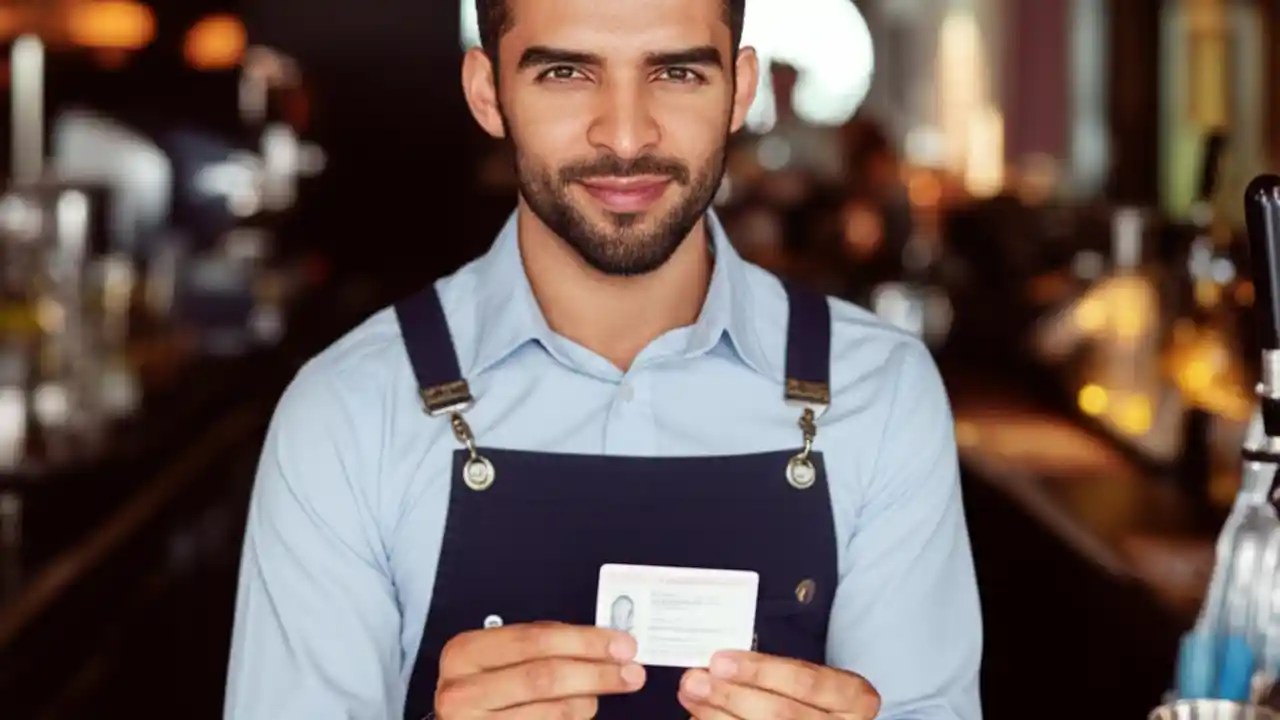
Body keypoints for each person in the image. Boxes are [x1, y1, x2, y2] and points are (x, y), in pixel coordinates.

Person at [222, 0, 983, 718]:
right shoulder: (347, 414)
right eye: (565, 72)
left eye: (677, 72)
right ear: (488, 92)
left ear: (740, 90)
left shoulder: (880, 394)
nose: (625, 137)